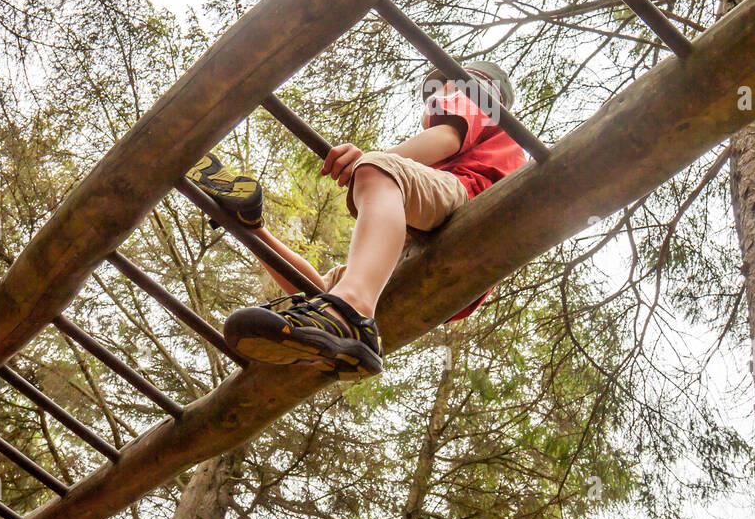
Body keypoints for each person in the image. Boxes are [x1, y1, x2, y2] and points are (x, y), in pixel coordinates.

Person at [190, 60, 525, 380]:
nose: (436, 99)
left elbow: (446, 138)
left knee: (377, 171)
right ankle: (253, 228)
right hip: (437, 254)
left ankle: (353, 310)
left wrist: (371, 162)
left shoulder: (479, 95)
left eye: (443, 87)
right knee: (321, 293)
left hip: (464, 200)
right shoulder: (493, 144)